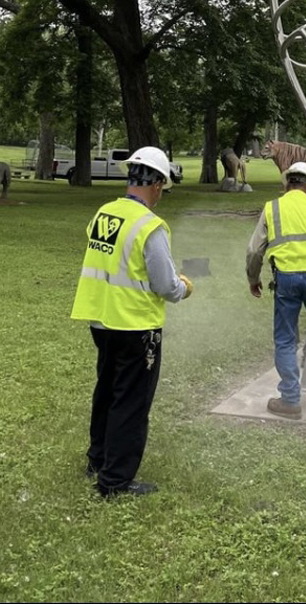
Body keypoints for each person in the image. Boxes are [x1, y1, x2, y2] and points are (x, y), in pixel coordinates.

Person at [71, 146, 194, 498]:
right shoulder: (151, 227)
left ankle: (98, 461)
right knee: (131, 402)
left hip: (101, 320)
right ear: (156, 184)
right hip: (136, 327)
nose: (161, 194)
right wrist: (184, 287)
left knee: (107, 391)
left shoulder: (104, 214)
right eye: (163, 188)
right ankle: (115, 481)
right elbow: (165, 286)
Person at [246, 160, 306, 419]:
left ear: (287, 184)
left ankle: (290, 400)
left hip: (286, 279)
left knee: (285, 339)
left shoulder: (272, 208)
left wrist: (253, 278)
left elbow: (254, 250)